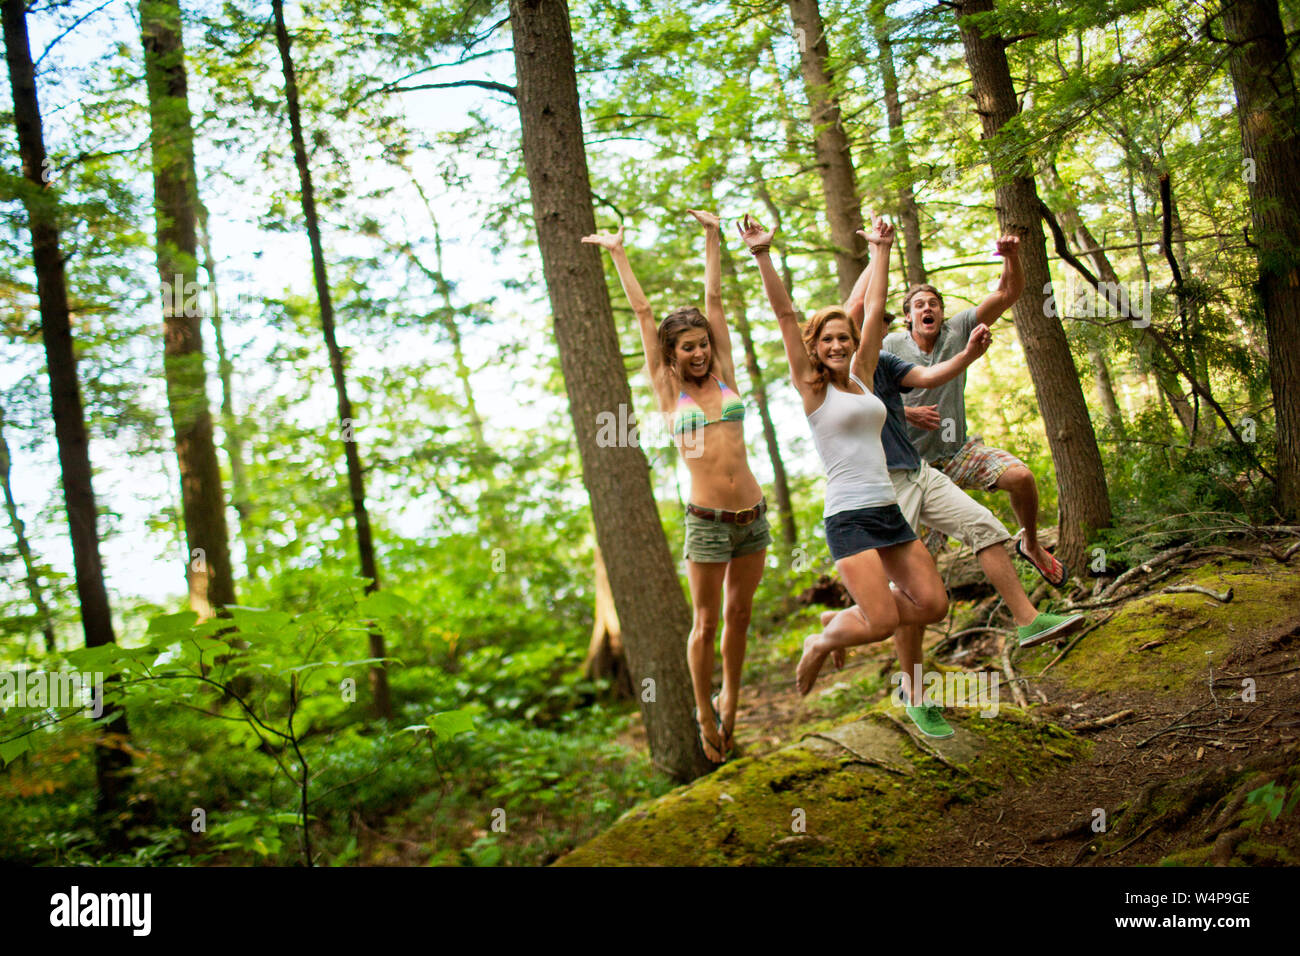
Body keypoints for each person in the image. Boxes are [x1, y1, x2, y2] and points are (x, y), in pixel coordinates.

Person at [814, 258, 1086, 737]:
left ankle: (1028, 621)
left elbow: (930, 375)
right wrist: (878, 254)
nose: (853, 335)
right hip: (884, 490)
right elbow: (857, 305)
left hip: (924, 472)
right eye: (912, 306)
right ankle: (911, 688)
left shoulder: (886, 362)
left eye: (930, 304)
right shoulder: (840, 376)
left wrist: (967, 359)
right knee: (914, 595)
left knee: (984, 526)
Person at [738, 212, 948, 708]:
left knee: (933, 605)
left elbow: (874, 308)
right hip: (849, 518)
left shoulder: (863, 374)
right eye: (827, 339)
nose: (837, 344)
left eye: (844, 338)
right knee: (881, 622)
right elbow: (786, 317)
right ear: (815, 347)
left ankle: (838, 620)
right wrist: (762, 254)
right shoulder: (812, 389)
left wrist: (881, 248)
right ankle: (823, 638)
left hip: (888, 511)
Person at [583, 210, 768, 764]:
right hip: (706, 523)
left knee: (740, 616)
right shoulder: (668, 391)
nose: (698, 351)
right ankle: (702, 709)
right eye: (686, 346)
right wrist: (618, 253)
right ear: (671, 355)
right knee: (706, 621)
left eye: (702, 344)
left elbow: (714, 304)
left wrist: (713, 237)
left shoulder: (727, 375)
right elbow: (642, 312)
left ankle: (731, 695)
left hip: (752, 517)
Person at [882, 237, 1069, 587]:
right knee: (917, 575)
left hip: (958, 452)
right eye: (920, 304)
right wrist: (908, 415)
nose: (928, 309)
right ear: (908, 317)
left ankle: (1030, 544)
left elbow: (1007, 293)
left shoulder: (958, 329)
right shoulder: (890, 345)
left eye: (934, 304)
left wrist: (1011, 256)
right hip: (913, 470)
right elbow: (862, 392)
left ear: (941, 312)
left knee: (1022, 478)